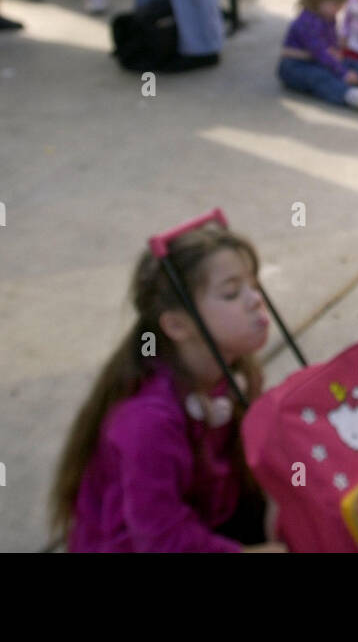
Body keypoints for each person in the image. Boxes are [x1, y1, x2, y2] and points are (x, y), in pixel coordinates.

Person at [49, 221, 286, 552]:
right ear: (177, 325)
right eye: (232, 293)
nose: (255, 300)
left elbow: (259, 456)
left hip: (209, 519)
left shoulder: (235, 374)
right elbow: (161, 539)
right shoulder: (148, 421)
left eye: (254, 284)